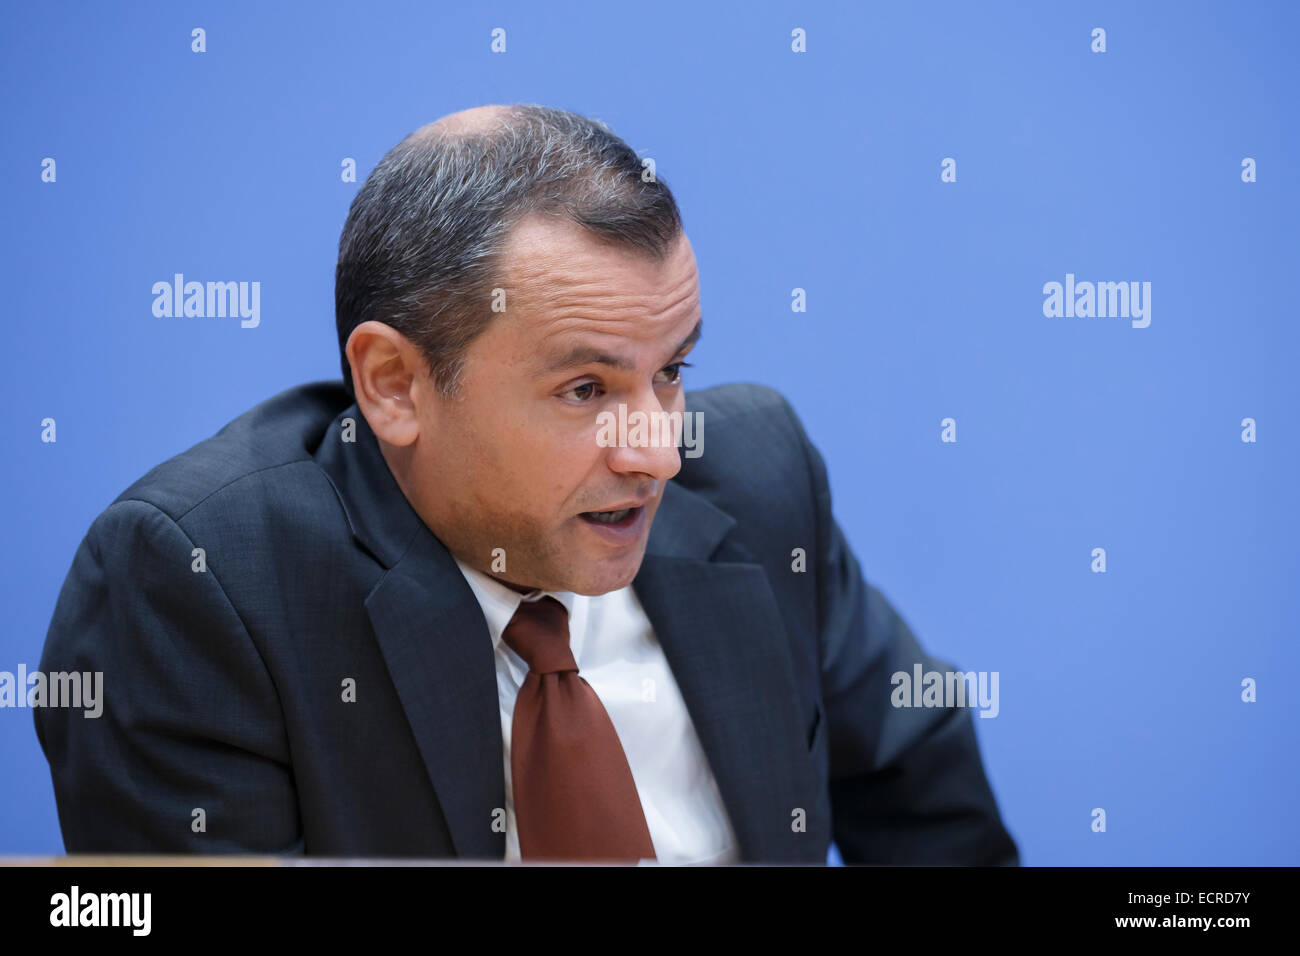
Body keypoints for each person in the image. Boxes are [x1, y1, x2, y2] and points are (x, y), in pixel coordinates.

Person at [36, 103, 1018, 865]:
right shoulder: (201, 584)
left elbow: (931, 813)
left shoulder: (757, 480)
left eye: (671, 369)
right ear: (393, 385)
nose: (658, 453)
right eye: (585, 387)